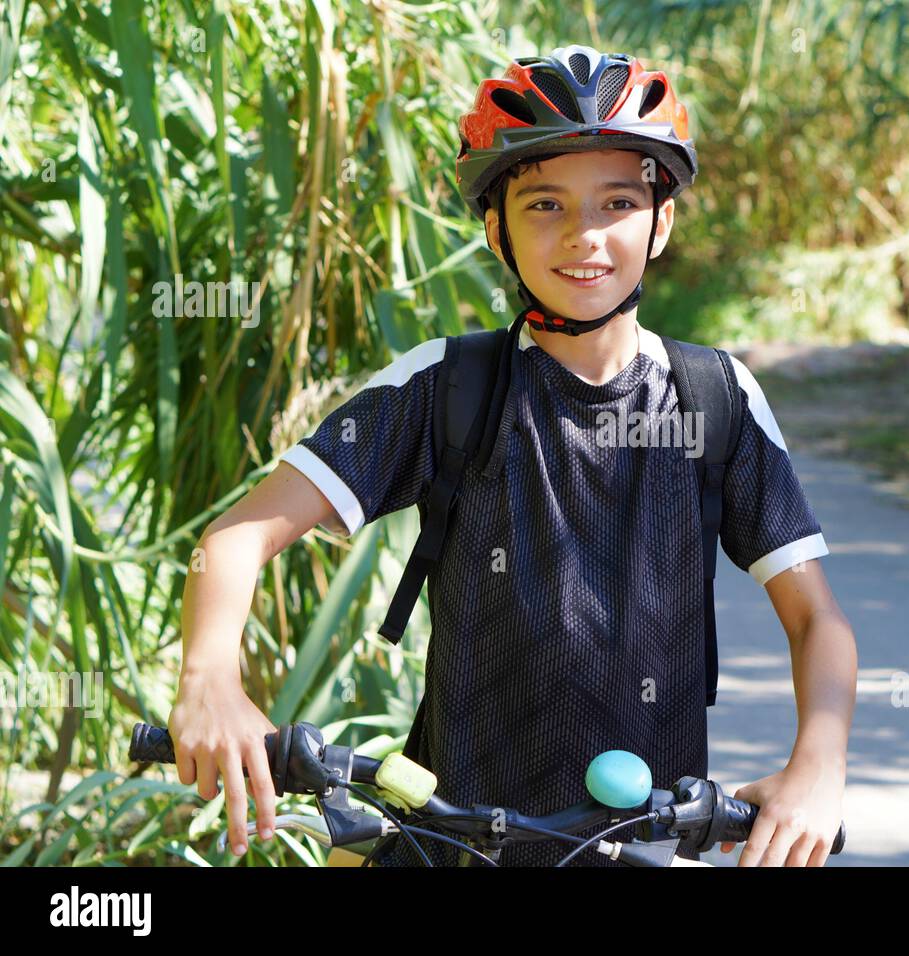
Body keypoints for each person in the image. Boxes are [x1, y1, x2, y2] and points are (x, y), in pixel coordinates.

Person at [168, 44, 857, 867]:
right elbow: (235, 539)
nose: (584, 236)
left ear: (660, 220)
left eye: (617, 202)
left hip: (638, 843)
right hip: (447, 837)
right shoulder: (446, 387)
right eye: (543, 206)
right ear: (496, 226)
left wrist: (819, 765)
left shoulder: (713, 397)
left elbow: (817, 619)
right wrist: (209, 679)